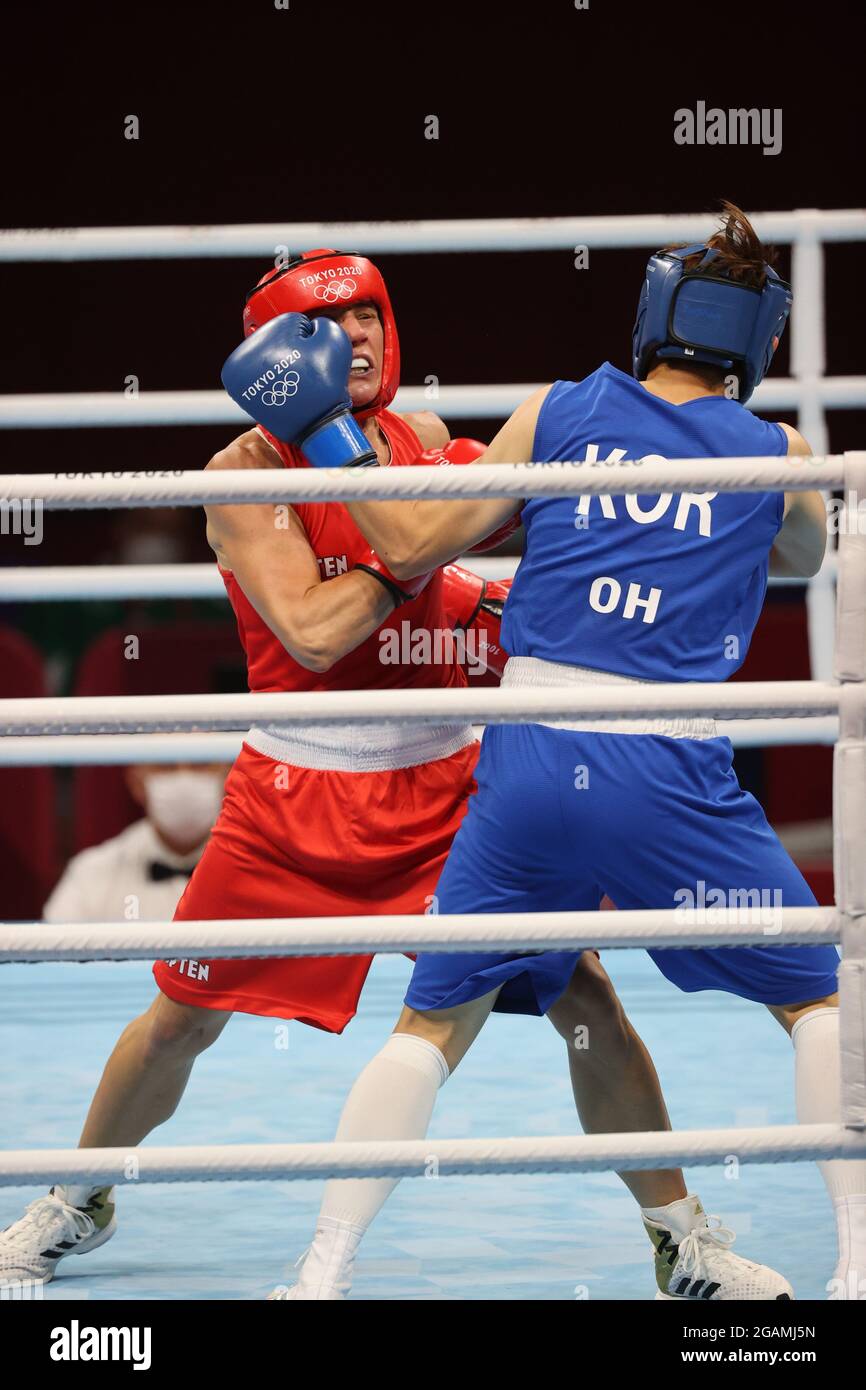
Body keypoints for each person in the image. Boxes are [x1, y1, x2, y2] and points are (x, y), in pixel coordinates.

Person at [1, 251, 699, 1303]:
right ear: (278, 354)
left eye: (370, 315)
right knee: (183, 1016)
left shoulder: (430, 447)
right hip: (294, 799)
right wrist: (419, 548)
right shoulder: (243, 479)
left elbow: (561, 530)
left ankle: (681, 1234)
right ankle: (79, 1196)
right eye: (329, 323)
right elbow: (319, 633)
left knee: (581, 991)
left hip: (450, 795)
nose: (359, 338)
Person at [217, 237, 813, 1302]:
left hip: (510, 764)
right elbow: (804, 553)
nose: (353, 336)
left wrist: (324, 434)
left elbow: (407, 543)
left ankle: (319, 1274)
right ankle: (835, 1268)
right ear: (758, 339)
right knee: (813, 1000)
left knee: (496, 1014)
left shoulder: (552, 411)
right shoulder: (770, 446)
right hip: (646, 771)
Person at [43, 764, 228, 924]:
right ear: (136, 781)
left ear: (229, 774)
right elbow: (52, 960)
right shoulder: (90, 874)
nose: (184, 778)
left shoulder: (256, 869)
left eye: (201, 764)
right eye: (166, 765)